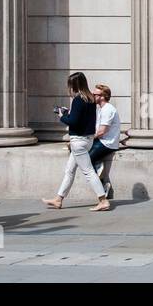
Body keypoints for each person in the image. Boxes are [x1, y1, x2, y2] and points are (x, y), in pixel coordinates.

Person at [41, 72, 111, 213]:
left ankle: (103, 200)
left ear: (74, 85)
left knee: (88, 171)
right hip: (88, 139)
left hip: (78, 141)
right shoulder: (91, 99)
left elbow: (73, 122)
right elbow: (82, 119)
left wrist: (62, 116)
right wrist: (70, 113)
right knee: (70, 170)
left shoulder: (78, 99)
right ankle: (58, 199)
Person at [90, 83, 121, 199]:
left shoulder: (108, 109)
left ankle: (102, 184)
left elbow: (102, 132)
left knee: (87, 160)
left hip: (107, 143)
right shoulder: (101, 109)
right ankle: (98, 166)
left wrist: (88, 138)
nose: (92, 95)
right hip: (102, 141)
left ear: (102, 96)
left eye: (95, 94)